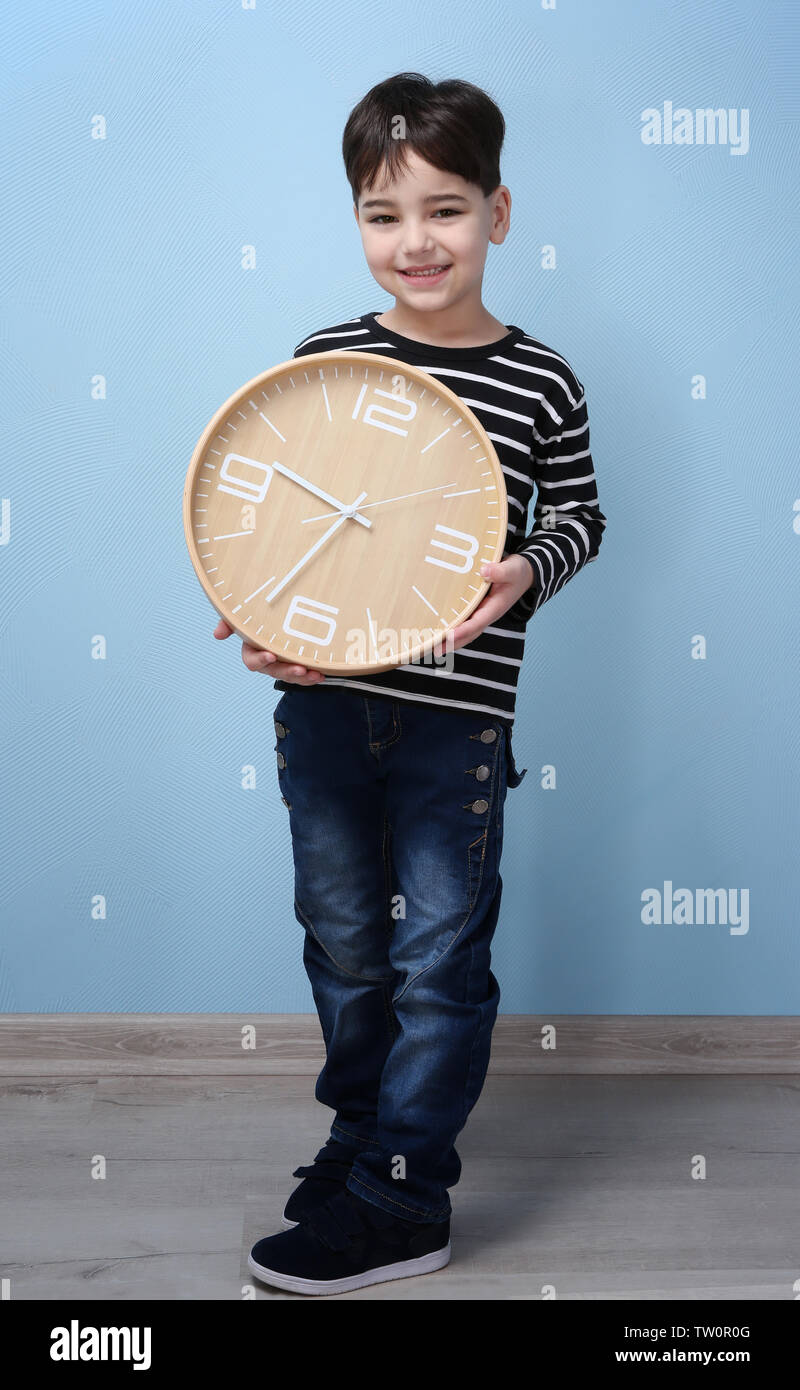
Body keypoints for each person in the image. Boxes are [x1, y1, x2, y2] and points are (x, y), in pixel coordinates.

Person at [215, 72, 607, 1296]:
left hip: (460, 723)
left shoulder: (539, 380)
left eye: (443, 209)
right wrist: (260, 627)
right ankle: (356, 1133)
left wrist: (526, 568)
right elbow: (272, 531)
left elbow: (583, 515)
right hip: (325, 706)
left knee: (438, 954)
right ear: (356, 223)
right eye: (383, 214)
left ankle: (405, 1191)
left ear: (498, 211)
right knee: (342, 945)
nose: (414, 241)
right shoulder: (324, 359)